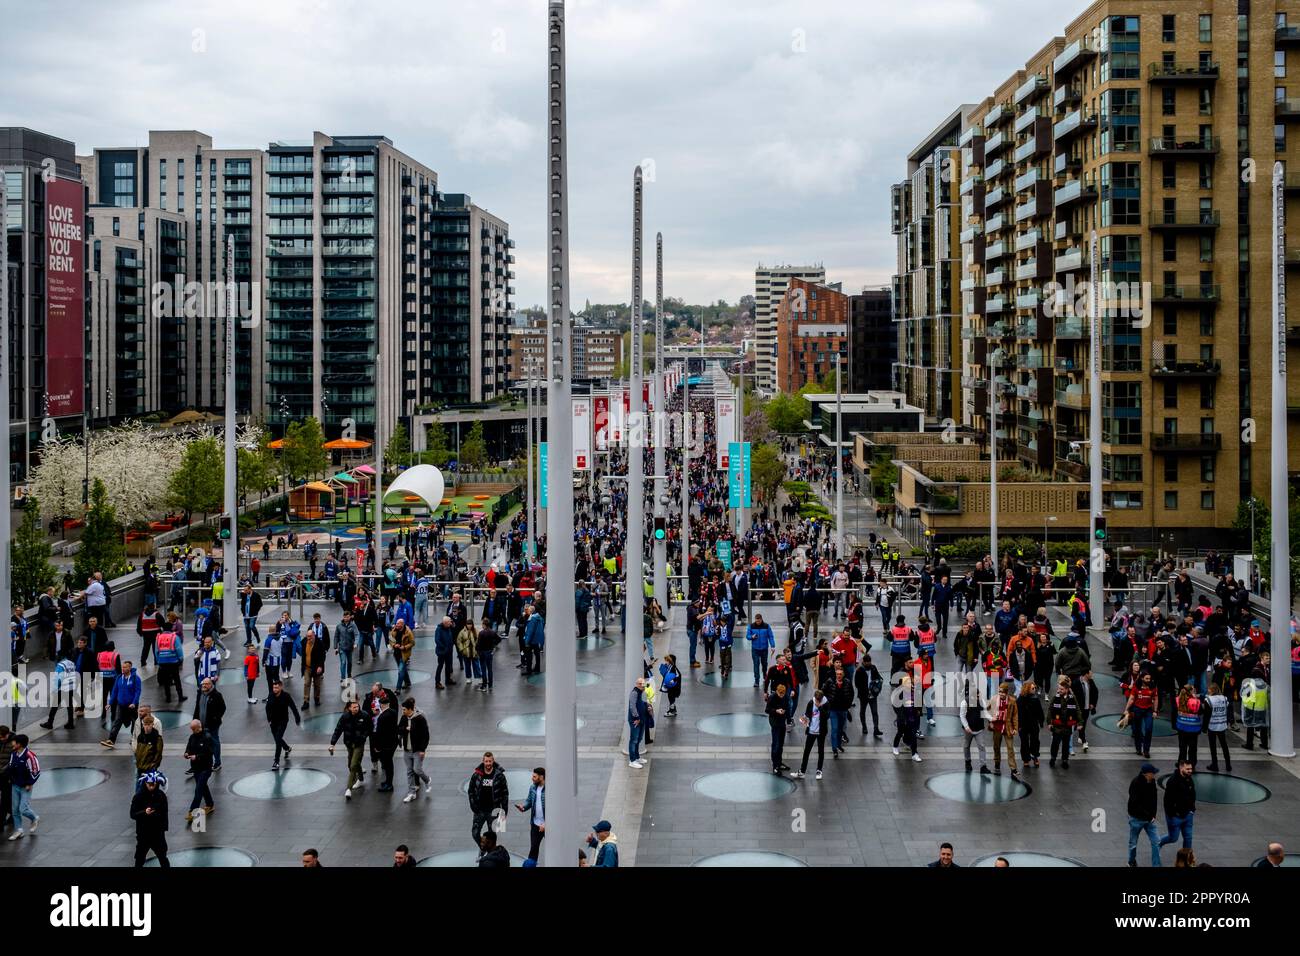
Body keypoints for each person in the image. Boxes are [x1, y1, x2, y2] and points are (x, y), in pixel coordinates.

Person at [329, 700, 371, 799]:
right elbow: (338, 729)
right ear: (349, 708)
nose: (356, 708)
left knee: (353, 765)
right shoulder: (345, 717)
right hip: (349, 744)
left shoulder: (364, 715)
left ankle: (348, 789)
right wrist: (332, 743)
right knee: (352, 764)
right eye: (354, 707)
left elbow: (369, 727)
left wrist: (363, 737)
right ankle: (360, 779)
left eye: (357, 706)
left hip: (359, 744)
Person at [467, 751, 509, 850]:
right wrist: (473, 805)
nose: (488, 763)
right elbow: (471, 791)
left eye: (490, 761)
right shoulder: (476, 775)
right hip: (479, 810)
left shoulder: (500, 775)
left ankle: (490, 853)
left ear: (493, 761)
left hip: (494, 810)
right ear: (483, 761)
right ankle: (483, 848)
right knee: (475, 833)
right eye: (486, 761)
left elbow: (505, 794)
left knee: (492, 836)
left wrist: (504, 812)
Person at [100, 659, 142, 748]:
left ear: (130, 668)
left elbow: (137, 692)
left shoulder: (135, 678)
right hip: (121, 705)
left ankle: (134, 738)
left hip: (132, 706)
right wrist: (110, 703)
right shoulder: (119, 677)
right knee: (117, 721)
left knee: (135, 722)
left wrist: (134, 703)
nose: (123, 668)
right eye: (122, 667)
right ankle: (111, 740)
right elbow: (114, 691)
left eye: (125, 667)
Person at [130, 771, 169, 867]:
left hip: (157, 834)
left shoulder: (161, 795)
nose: (151, 787)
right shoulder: (138, 796)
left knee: (162, 857)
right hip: (144, 834)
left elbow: (165, 813)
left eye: (153, 784)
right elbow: (132, 814)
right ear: (145, 783)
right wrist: (144, 812)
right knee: (139, 858)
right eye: (149, 784)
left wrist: (163, 829)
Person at [1158, 759, 1196, 853]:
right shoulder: (1172, 781)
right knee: (1173, 838)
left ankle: (1186, 860)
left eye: (1191, 768)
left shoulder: (1189, 778)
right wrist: (1173, 814)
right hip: (1176, 817)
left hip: (1188, 815)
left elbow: (1193, 795)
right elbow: (1167, 801)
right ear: (1181, 767)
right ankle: (1157, 843)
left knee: (1188, 838)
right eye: (1187, 769)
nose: (1190, 771)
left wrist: (1192, 810)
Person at [6, 734, 40, 840]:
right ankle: (19, 830)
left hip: (25, 786)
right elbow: (10, 767)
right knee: (15, 809)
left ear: (19, 744)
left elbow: (36, 771)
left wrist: (30, 783)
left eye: (13, 742)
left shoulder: (29, 755)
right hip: (15, 785)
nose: (12, 743)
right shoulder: (13, 754)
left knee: (23, 809)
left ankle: (34, 818)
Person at [397, 697, 430, 803]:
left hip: (417, 750)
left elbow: (425, 735)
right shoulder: (404, 718)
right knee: (409, 771)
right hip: (407, 750)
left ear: (410, 709)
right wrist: (405, 729)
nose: (403, 711)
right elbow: (398, 729)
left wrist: (422, 750)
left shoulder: (420, 718)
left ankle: (427, 779)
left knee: (417, 770)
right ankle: (411, 792)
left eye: (404, 710)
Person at [181, 719, 215, 823]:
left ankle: (192, 811)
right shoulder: (192, 737)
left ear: (199, 727)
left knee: (198, 790)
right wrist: (187, 753)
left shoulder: (207, 737)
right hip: (196, 768)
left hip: (206, 768)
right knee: (203, 787)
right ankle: (210, 804)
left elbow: (209, 753)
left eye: (193, 729)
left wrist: (197, 757)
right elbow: (189, 747)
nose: (192, 731)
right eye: (191, 729)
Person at [792, 688, 829, 780]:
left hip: (821, 731)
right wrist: (804, 719)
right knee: (806, 751)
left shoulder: (826, 703)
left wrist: (820, 707)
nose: (817, 702)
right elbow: (808, 714)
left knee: (821, 751)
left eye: (818, 700)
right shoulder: (810, 702)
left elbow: (827, 716)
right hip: (811, 731)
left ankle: (819, 770)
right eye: (816, 700)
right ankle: (802, 771)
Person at [265, 679, 301, 771]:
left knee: (277, 740)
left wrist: (297, 718)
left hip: (283, 721)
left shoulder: (286, 696)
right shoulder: (271, 695)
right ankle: (287, 748)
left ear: (281, 687)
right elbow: (267, 708)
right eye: (274, 687)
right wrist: (269, 720)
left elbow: (293, 707)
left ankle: (276, 761)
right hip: (273, 722)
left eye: (277, 687)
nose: (275, 689)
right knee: (278, 739)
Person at [988, 681, 1021, 778]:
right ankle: (997, 765)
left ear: (1006, 692)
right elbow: (986, 710)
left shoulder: (1012, 700)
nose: (1001, 694)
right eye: (999, 692)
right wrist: (990, 720)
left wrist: (1015, 728)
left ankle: (1013, 769)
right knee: (996, 747)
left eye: (1003, 692)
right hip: (997, 726)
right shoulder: (994, 699)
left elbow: (1015, 715)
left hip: (1008, 727)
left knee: (1010, 749)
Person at [192, 677, 226, 772]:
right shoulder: (200, 693)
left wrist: (216, 718)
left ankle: (217, 763)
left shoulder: (217, 695)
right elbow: (197, 707)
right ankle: (198, 763)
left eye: (206, 684)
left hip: (212, 725)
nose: (204, 686)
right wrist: (194, 719)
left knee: (214, 742)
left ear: (211, 685)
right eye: (203, 684)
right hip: (200, 725)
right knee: (199, 743)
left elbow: (223, 708)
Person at [515, 766, 546, 862]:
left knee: (554, 848)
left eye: (534, 777)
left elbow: (555, 808)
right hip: (535, 824)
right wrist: (523, 807)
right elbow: (529, 801)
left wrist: (546, 824)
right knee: (533, 848)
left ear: (541, 777)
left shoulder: (551, 789)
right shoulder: (532, 787)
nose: (532, 778)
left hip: (547, 825)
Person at [1047, 675, 1078, 769]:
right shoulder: (1055, 697)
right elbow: (1050, 710)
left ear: (1067, 689)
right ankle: (1053, 758)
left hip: (1067, 726)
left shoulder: (1072, 698)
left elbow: (1077, 710)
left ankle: (1065, 760)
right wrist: (1049, 722)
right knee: (1055, 744)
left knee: (1065, 744)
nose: (1059, 690)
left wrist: (1080, 722)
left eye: (1061, 689)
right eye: (1059, 688)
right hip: (1057, 726)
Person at [300, 613, 330, 707]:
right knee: (306, 683)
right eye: (307, 636)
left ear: (314, 635)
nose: (308, 638)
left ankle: (317, 699)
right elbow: (302, 652)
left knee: (317, 685)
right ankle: (306, 701)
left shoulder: (319, 644)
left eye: (310, 637)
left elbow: (322, 656)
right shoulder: (305, 642)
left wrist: (320, 666)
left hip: (316, 667)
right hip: (307, 667)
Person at [960, 681, 990, 775]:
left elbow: (985, 713)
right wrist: (966, 726)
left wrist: (992, 719)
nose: (978, 697)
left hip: (979, 729)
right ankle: (967, 762)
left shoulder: (981, 701)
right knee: (966, 746)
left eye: (979, 695)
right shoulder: (965, 702)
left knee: (982, 746)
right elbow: (962, 716)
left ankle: (983, 766)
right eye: (977, 696)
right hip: (968, 729)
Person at [853, 653, 884, 737]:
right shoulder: (859, 670)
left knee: (875, 712)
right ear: (863, 662)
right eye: (867, 662)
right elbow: (856, 684)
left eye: (869, 662)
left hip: (873, 694)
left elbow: (878, 677)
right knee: (863, 711)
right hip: (863, 695)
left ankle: (876, 729)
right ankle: (864, 727)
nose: (868, 664)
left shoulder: (873, 668)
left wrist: (877, 684)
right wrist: (865, 690)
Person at [372, 694, 398, 792]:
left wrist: (377, 746)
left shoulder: (382, 717)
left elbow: (380, 733)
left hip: (385, 745)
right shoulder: (393, 712)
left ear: (381, 705)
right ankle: (388, 781)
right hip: (393, 742)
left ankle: (389, 784)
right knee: (389, 764)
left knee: (387, 765)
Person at [1205, 682, 1232, 773]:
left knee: (1213, 747)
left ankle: (1215, 764)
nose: (1207, 691)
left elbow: (1207, 715)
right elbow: (1228, 710)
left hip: (1212, 725)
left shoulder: (1209, 700)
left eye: (1209, 689)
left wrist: (1204, 728)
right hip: (1222, 725)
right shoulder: (1224, 698)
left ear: (1212, 690)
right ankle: (1228, 765)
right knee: (1224, 745)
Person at [1017, 680, 1044, 769]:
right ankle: (1026, 759)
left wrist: (1041, 721)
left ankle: (1035, 756)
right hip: (1023, 724)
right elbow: (1017, 713)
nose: (1034, 690)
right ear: (1027, 688)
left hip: (1033, 724)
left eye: (1035, 688)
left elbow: (1040, 711)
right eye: (1033, 688)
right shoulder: (1020, 700)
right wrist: (1018, 725)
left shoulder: (1035, 699)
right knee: (1024, 742)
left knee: (1035, 741)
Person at [766, 681, 790, 774]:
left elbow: (787, 707)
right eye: (780, 694)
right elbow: (767, 710)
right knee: (775, 744)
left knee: (780, 744)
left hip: (782, 722)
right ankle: (775, 765)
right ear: (776, 691)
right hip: (775, 722)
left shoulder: (785, 697)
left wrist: (788, 719)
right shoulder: (772, 697)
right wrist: (776, 711)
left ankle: (779, 763)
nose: (781, 695)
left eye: (783, 694)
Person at [747, 613, 775, 688]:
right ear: (755, 619)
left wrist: (773, 646)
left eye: (759, 621)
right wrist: (751, 637)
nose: (758, 622)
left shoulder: (766, 626)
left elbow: (771, 636)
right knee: (756, 665)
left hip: (764, 649)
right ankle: (756, 681)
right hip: (755, 649)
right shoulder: (751, 626)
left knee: (764, 663)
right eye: (756, 621)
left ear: (761, 619)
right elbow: (747, 636)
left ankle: (764, 675)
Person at [627, 677, 649, 769]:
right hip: (635, 721)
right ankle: (632, 761)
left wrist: (646, 705)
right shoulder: (634, 693)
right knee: (634, 740)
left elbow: (639, 703)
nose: (642, 685)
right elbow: (632, 706)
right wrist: (636, 717)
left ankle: (637, 757)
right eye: (640, 683)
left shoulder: (640, 693)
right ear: (636, 684)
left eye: (643, 683)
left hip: (641, 719)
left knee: (639, 739)